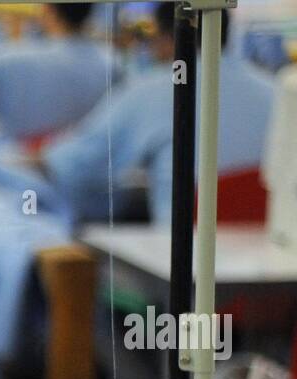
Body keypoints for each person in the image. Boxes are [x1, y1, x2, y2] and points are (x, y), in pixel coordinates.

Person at [42, 5, 276, 224]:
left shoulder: (153, 88)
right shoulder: (274, 90)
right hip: (273, 253)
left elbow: (71, 165)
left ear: (167, 39)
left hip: (184, 258)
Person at [0, 4, 113, 141]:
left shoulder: (17, 61)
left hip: (21, 182)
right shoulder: (112, 65)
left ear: (47, 10)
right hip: (84, 183)